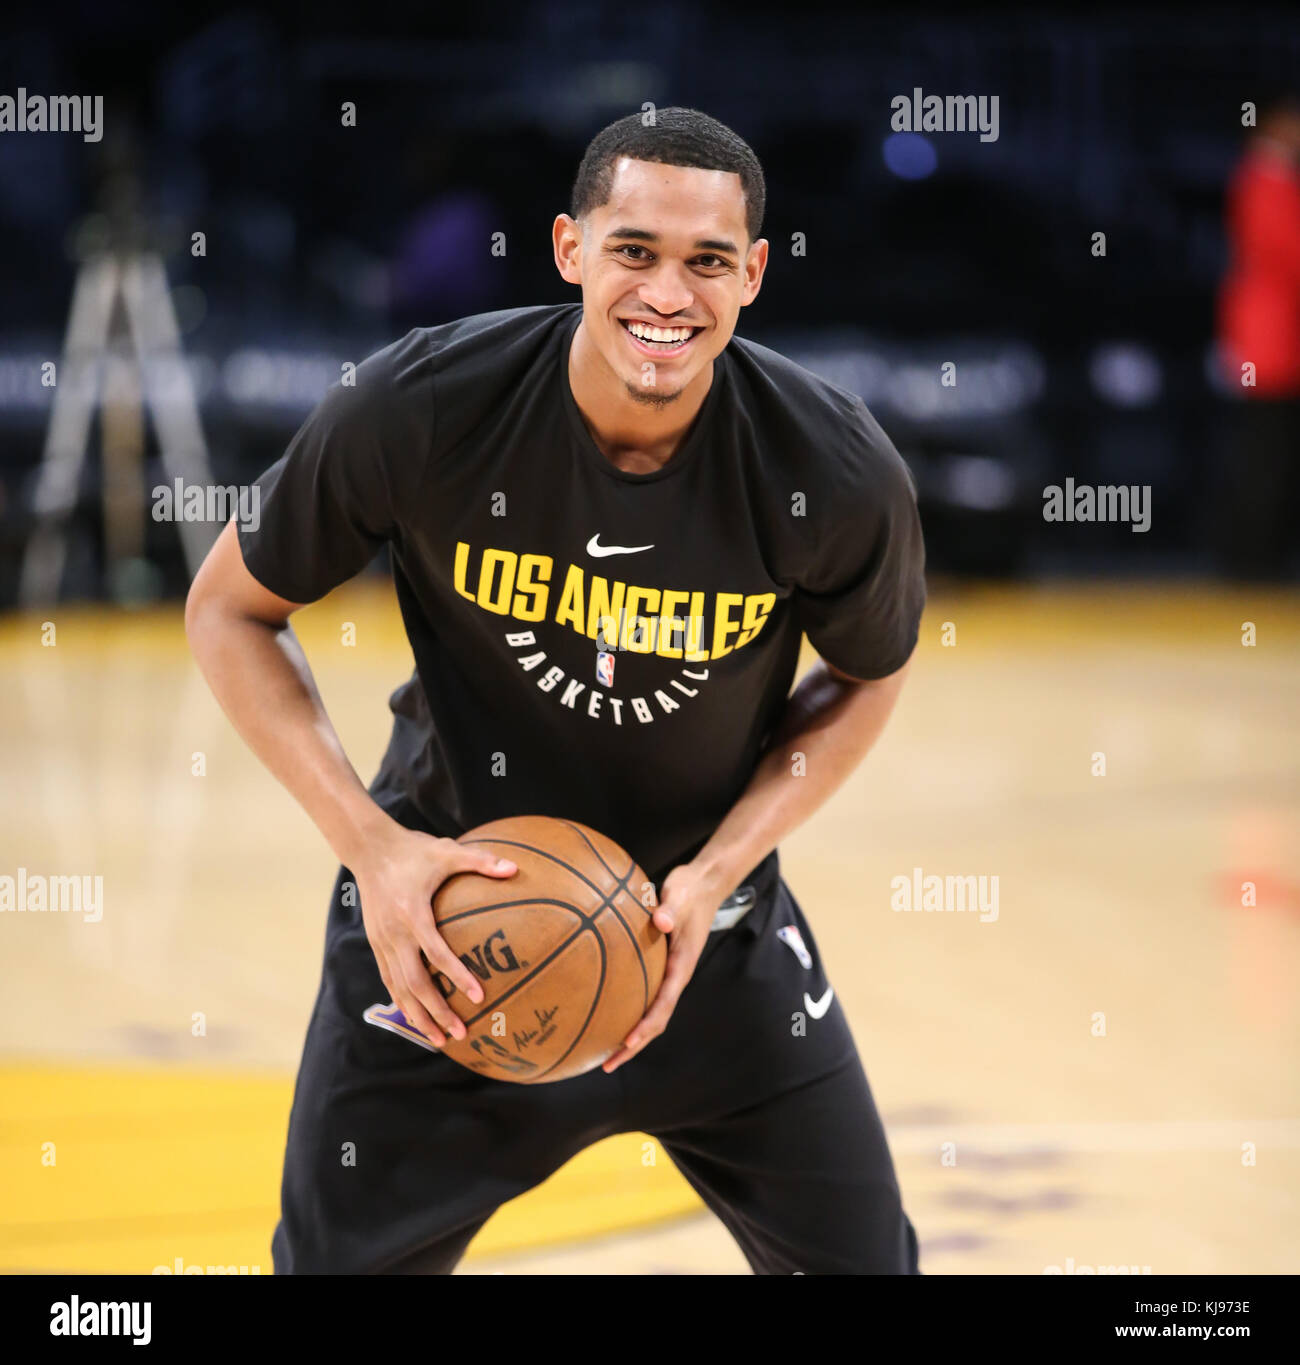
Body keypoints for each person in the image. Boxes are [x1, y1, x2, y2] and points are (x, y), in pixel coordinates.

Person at [186, 107, 927, 1275]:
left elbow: (867, 676)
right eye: (634, 250)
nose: (668, 294)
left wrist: (722, 868)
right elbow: (229, 607)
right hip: (441, 952)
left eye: (707, 261)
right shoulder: (427, 405)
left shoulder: (828, 468)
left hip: (713, 951)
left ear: (755, 275)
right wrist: (374, 854)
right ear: (570, 248)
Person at [1217, 93, 1300, 578]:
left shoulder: (1273, 179)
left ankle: (1260, 555)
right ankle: (1252, 558)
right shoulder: (1264, 179)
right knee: (1267, 455)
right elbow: (1287, 254)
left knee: (1273, 452)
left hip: (1275, 341)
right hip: (1270, 345)